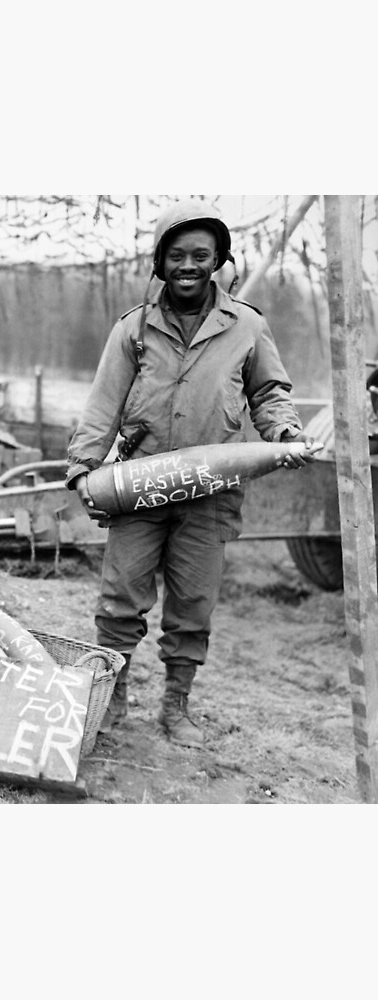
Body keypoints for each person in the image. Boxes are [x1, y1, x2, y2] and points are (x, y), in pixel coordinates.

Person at [66, 199, 318, 748]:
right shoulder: (133, 330)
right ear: (160, 263)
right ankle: (113, 698)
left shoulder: (247, 326)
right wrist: (85, 467)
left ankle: (176, 706)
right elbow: (102, 405)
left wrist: (285, 434)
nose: (188, 265)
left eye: (200, 255)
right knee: (119, 601)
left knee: (193, 605)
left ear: (218, 261)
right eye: (176, 255)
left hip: (212, 494)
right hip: (140, 487)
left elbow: (269, 393)